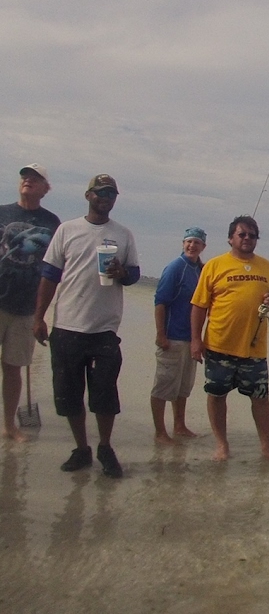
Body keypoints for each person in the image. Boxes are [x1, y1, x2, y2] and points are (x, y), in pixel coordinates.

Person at [33, 174, 140, 478]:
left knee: (105, 395)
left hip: (104, 330)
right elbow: (50, 276)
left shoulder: (123, 234)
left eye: (111, 194)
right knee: (69, 396)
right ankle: (82, 448)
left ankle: (105, 447)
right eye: (101, 192)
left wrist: (122, 273)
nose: (106, 198)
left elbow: (134, 274)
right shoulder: (67, 230)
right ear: (88, 195)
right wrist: (39, 317)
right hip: (67, 326)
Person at [190, 215, 269, 463]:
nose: (247, 239)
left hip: (255, 348)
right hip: (219, 345)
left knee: (260, 399)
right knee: (216, 396)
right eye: (242, 234)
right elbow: (199, 306)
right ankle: (222, 445)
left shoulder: (266, 266)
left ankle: (267, 448)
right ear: (231, 238)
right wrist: (196, 340)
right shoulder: (214, 265)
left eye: (252, 235)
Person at [1, 164, 61, 442]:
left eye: (35, 178)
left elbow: (56, 266)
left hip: (27, 308)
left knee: (13, 368)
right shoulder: (2, 213)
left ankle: (9, 426)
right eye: (25, 176)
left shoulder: (52, 223)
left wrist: (42, 314)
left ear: (46, 189)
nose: (28, 180)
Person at [151, 226, 207, 444]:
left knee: (183, 387)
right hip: (172, 337)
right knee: (163, 386)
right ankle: (160, 432)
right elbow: (160, 302)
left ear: (203, 246)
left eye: (197, 242)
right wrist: (160, 334)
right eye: (189, 242)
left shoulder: (200, 270)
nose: (192, 246)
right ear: (183, 243)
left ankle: (179, 425)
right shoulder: (176, 267)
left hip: (190, 339)